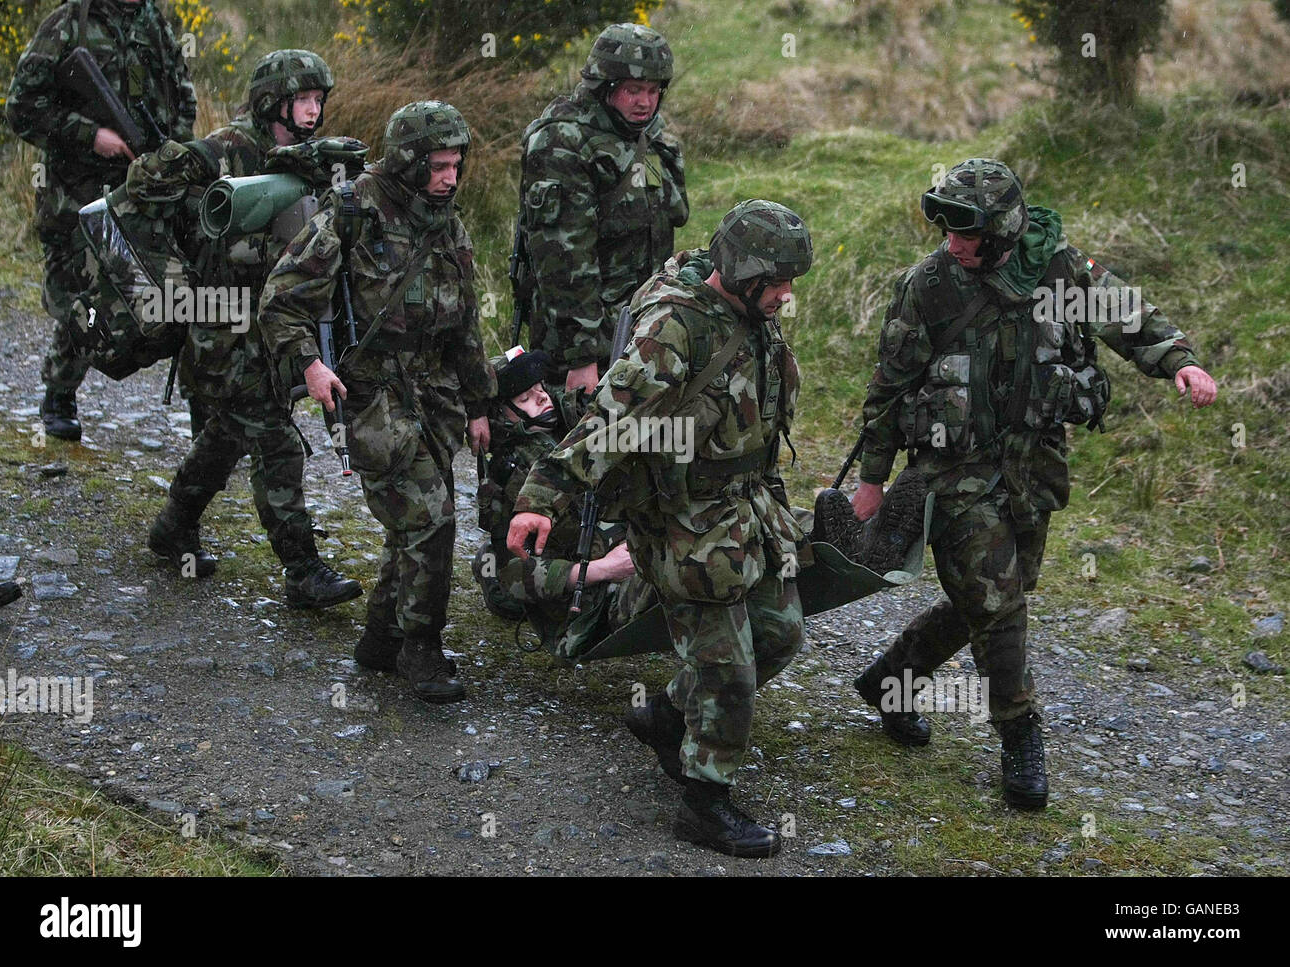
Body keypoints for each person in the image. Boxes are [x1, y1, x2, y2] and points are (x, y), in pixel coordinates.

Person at [848, 158, 1218, 809]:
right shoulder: (928, 287)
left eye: (967, 235)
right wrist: (874, 479)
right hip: (952, 470)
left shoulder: (1059, 270)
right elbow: (890, 385)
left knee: (998, 594)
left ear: (1004, 230)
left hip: (1032, 465)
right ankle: (1020, 736)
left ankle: (893, 677)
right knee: (998, 602)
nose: (952, 245)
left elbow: (1128, 315)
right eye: (946, 232)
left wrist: (1180, 362)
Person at [508, 200, 813, 859]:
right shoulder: (677, 328)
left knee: (780, 632)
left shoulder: (748, 311)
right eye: (779, 281)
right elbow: (612, 416)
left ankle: (667, 715)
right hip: (684, 525)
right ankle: (705, 802)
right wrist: (543, 494)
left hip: (744, 507)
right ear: (743, 271)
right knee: (727, 666)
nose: (788, 295)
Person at [259, 101, 497, 703]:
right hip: (371, 395)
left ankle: (378, 640)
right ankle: (421, 646)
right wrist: (309, 365)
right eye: (439, 166)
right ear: (410, 162)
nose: (450, 177)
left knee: (414, 522)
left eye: (456, 165)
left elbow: (465, 318)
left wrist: (478, 402)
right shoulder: (352, 211)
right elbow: (281, 298)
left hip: (434, 394)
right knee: (430, 519)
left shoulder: (445, 219)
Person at [140, 49, 360, 610]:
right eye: (303, 100)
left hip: (266, 324)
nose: (314, 111)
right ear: (273, 103)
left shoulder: (307, 158)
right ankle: (303, 571)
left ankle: (174, 525)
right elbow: (147, 180)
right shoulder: (229, 148)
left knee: (229, 433)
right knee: (274, 437)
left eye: (318, 101)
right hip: (219, 321)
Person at [6, 0, 196, 441]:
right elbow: (22, 108)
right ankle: (60, 391)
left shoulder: (154, 23)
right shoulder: (70, 22)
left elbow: (182, 95)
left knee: (178, 291)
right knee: (84, 300)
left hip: (143, 191)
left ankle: (204, 410)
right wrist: (90, 136)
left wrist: (174, 152)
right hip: (76, 196)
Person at [518, 21, 688, 393]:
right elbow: (565, 259)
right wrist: (582, 358)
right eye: (633, 91)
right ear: (604, 87)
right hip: (584, 341)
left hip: (644, 326)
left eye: (653, 91)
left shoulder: (647, 135)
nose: (645, 102)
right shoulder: (562, 141)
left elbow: (671, 217)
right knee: (580, 443)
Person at [474, 346, 656, 661]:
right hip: (594, 594)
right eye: (524, 399)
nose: (542, 397)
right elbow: (514, 575)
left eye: (540, 389)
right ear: (501, 415)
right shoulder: (509, 478)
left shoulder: (579, 426)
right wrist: (602, 569)